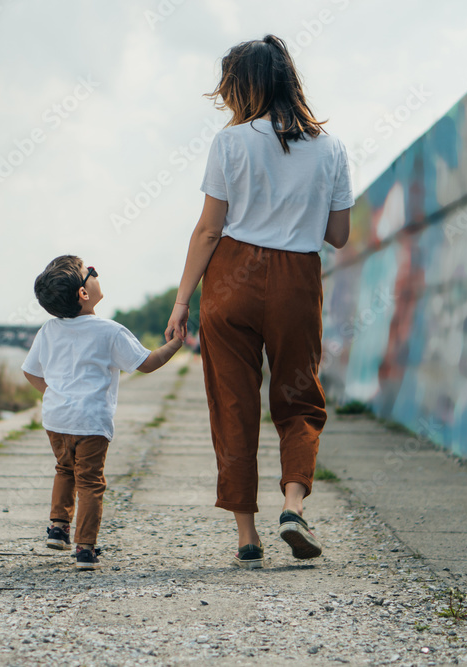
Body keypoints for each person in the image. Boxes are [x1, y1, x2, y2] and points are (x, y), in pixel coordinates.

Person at [164, 35, 354, 569]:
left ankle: (247, 535)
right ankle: (293, 505)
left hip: (231, 282)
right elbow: (338, 235)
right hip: (296, 280)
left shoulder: (230, 143)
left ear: (241, 87)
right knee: (299, 399)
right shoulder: (331, 147)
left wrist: (182, 302)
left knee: (233, 404)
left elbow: (208, 230)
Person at [22, 255, 184, 570]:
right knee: (90, 482)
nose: (96, 274)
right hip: (91, 423)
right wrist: (176, 344)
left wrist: (56, 394)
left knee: (64, 470)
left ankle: (58, 527)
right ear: (84, 294)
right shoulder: (109, 331)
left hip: (56, 419)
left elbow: (30, 372)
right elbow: (147, 363)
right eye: (91, 272)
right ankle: (85, 547)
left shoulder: (48, 330)